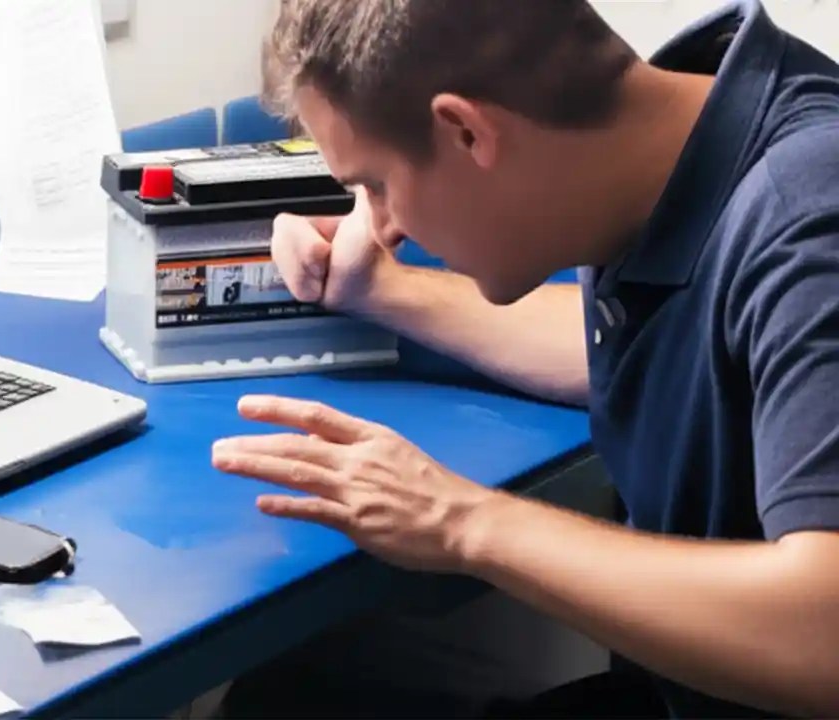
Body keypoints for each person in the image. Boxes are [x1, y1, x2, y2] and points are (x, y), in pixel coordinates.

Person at [210, 0, 839, 717]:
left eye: (377, 184)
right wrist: (379, 290)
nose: (378, 227)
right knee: (285, 701)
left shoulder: (809, 218)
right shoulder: (665, 155)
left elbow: (826, 636)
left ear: (466, 130)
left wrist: (461, 521)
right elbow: (675, 345)